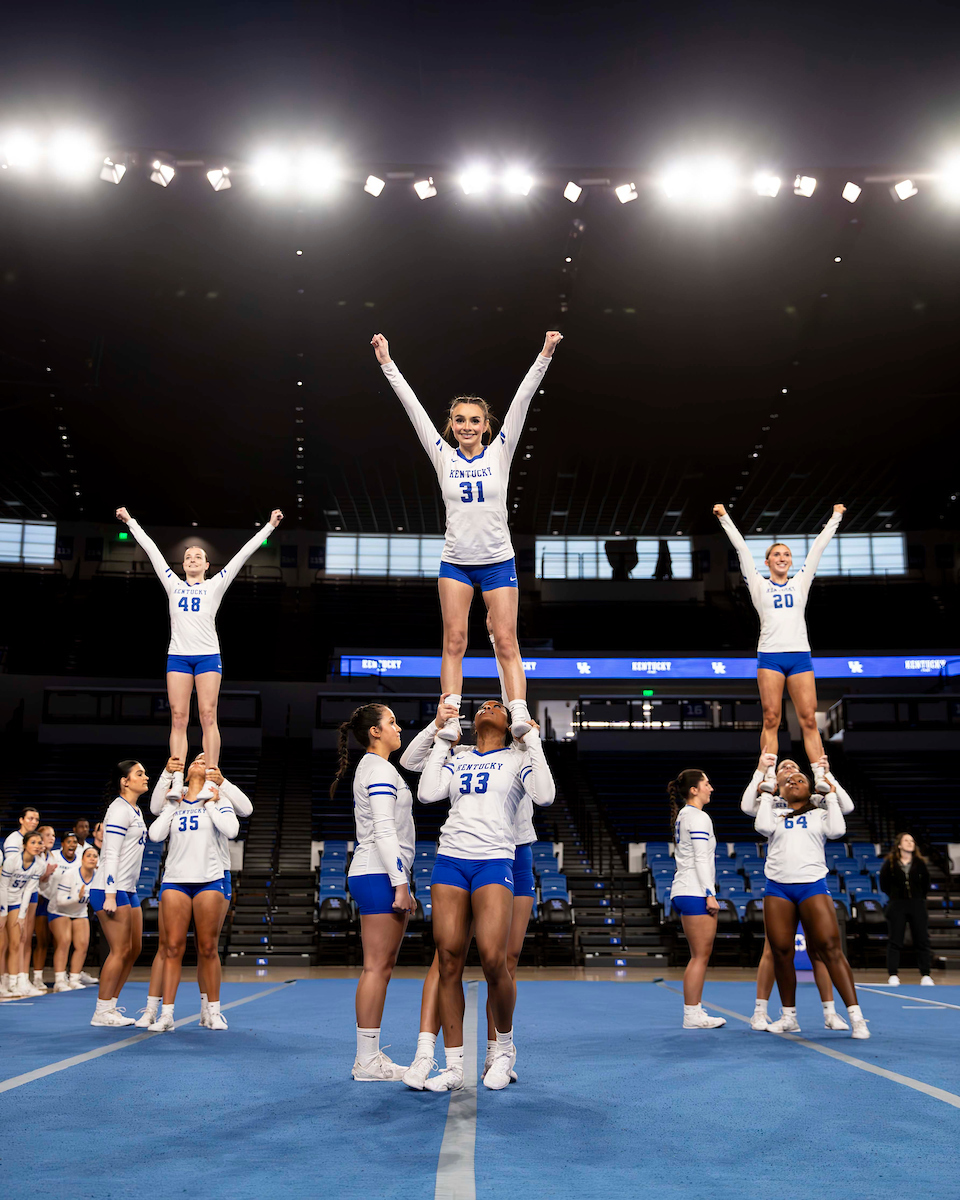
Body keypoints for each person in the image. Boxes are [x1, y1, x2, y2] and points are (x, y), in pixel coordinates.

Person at [371, 330, 563, 743]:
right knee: (455, 639)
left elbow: (523, 400)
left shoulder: (501, 451)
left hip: (498, 561)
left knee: (506, 638)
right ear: (451, 425)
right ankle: (451, 712)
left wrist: (544, 353)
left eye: (474, 420)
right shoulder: (442, 454)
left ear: (486, 425)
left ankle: (518, 712)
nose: (466, 426)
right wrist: (388, 362)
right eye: (459, 419)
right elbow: (413, 408)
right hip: (456, 561)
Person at [416, 699, 555, 1092]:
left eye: (497, 705)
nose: (488, 706)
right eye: (482, 706)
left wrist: (532, 742)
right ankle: (454, 1065)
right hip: (451, 858)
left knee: (495, 960)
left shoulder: (516, 756)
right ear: (473, 722)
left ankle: (504, 1049)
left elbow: (544, 796)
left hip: (496, 858)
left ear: (509, 721)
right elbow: (427, 793)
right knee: (448, 958)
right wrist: (442, 741)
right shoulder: (458, 755)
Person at [115, 505, 283, 798]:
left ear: (207, 566)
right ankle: (177, 777)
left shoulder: (215, 585)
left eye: (198, 557)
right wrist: (131, 522)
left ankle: (211, 777)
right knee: (179, 717)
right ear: (183, 565)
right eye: (188, 557)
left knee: (207, 714)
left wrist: (269, 527)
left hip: (207, 655)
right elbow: (152, 550)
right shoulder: (173, 585)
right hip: (178, 656)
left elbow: (242, 554)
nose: (192, 559)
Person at [713, 503, 844, 788]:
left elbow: (818, 549)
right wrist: (725, 518)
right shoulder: (758, 585)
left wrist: (836, 517)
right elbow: (742, 550)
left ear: (790, 561)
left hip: (800, 657)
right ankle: (768, 775)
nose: (782, 558)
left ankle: (821, 775)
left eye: (786, 554)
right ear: (768, 561)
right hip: (770, 657)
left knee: (808, 718)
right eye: (776, 554)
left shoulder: (800, 583)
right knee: (771, 717)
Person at [327, 704, 416, 1080]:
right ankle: (365, 1061)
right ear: (375, 732)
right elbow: (383, 831)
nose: (398, 727)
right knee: (376, 968)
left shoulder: (378, 767)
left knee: (380, 968)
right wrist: (400, 884)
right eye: (392, 722)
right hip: (379, 873)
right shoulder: (378, 768)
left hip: (376, 872)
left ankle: (369, 1056)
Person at [742, 753, 855, 1031]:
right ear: (778, 781)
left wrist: (827, 780)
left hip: (810, 882)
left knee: (822, 950)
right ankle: (772, 1012)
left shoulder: (816, 803)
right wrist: (762, 776)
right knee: (777, 951)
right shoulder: (771, 805)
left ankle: (830, 1013)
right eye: (784, 770)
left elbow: (846, 810)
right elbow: (748, 808)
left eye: (796, 771)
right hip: (779, 884)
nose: (791, 772)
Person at [137, 755, 251, 1029]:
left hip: (209, 878)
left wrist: (212, 802)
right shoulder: (174, 798)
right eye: (195, 760)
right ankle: (165, 1014)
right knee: (172, 947)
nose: (200, 761)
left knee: (208, 946)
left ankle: (211, 1011)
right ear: (185, 774)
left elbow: (234, 827)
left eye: (205, 759)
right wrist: (168, 784)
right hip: (176, 879)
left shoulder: (217, 796)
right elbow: (155, 829)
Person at [89, 759, 149, 1027]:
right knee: (120, 949)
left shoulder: (135, 810)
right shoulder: (118, 810)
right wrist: (111, 895)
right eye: (140, 773)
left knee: (134, 949)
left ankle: (111, 1005)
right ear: (125, 781)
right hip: (109, 888)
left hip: (128, 888)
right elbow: (110, 854)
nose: (145, 777)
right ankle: (101, 1011)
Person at [667, 769, 726, 1030]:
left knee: (698, 956)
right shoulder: (699, 817)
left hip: (685, 889)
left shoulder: (685, 816)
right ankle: (692, 1014)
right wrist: (710, 893)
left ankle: (695, 1011)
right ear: (694, 790)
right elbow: (702, 858)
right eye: (706, 783)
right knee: (700, 957)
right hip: (694, 892)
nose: (710, 788)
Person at [879, 833, 934, 987]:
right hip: (897, 904)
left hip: (917, 904)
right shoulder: (890, 863)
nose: (910, 843)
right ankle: (893, 974)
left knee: (922, 939)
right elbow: (884, 884)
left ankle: (926, 974)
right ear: (899, 845)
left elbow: (926, 884)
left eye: (912, 841)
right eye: (906, 840)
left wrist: (918, 898)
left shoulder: (920, 863)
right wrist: (897, 896)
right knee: (895, 940)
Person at [1, 831, 46, 996]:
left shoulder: (39, 865)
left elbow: (28, 890)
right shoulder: (11, 861)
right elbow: (3, 886)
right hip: (2, 901)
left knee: (15, 942)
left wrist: (21, 915)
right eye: (33, 842)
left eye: (39, 843)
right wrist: (3, 913)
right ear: (24, 845)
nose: (37, 846)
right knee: (2, 944)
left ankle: (13, 983)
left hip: (16, 902)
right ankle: (2, 983)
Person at [49, 846, 99, 990]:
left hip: (80, 912)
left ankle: (74, 979)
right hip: (59, 910)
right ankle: (59, 981)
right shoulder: (70, 874)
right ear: (82, 859)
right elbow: (60, 900)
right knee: (64, 941)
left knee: (83, 944)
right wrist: (77, 898)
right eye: (89, 855)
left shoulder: (98, 876)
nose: (92, 858)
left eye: (95, 856)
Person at [31, 825, 61, 991]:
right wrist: (46, 873)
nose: (51, 838)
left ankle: (60, 977)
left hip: (54, 901)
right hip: (40, 901)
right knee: (42, 941)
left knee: (56, 940)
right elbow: (38, 878)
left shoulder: (53, 855)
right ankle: (36, 977)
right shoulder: (37, 856)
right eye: (48, 835)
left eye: (53, 835)